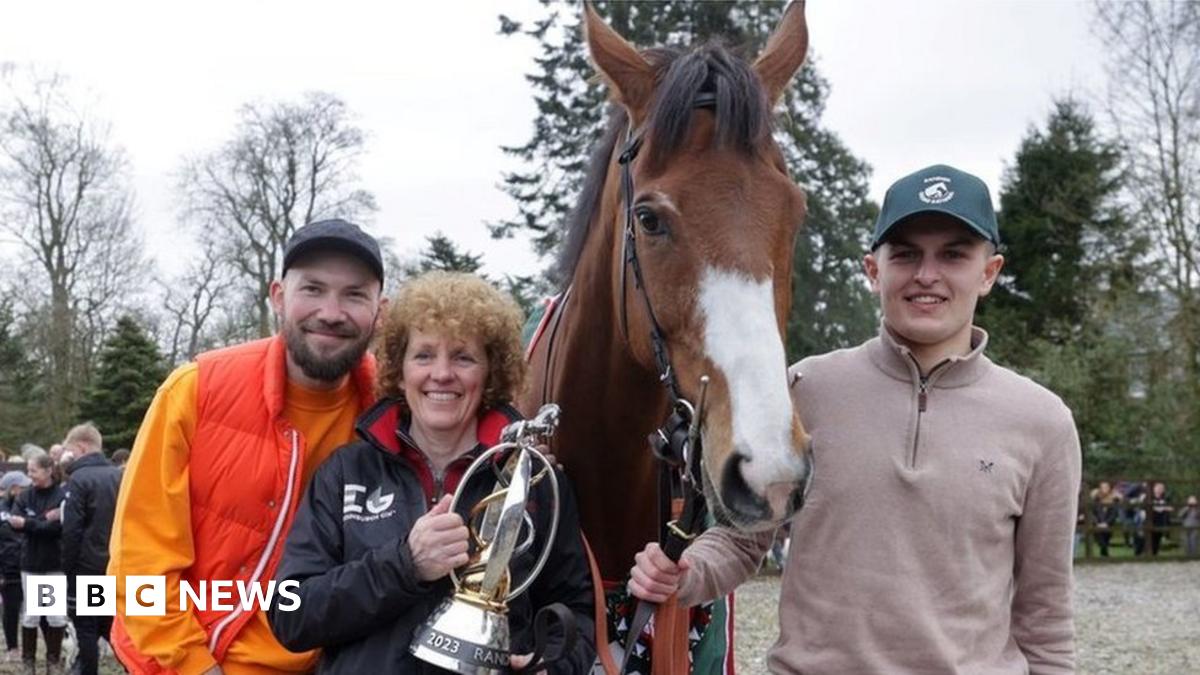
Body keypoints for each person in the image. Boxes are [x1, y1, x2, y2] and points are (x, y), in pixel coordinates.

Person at [629, 164, 1083, 673]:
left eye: (953, 254)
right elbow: (741, 539)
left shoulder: (1043, 423)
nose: (927, 275)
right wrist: (686, 572)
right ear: (873, 270)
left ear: (989, 272)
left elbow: (1045, 619)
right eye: (906, 254)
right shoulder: (805, 388)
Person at [269, 271, 596, 673]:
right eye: (423, 355)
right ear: (399, 369)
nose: (442, 374)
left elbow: (577, 612)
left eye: (463, 357)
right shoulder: (345, 472)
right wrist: (406, 563)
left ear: (490, 372)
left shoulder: (536, 478)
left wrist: (555, 666)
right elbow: (290, 614)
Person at [107, 218, 386, 675]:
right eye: (312, 289)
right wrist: (195, 666)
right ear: (278, 296)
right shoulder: (196, 391)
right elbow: (140, 561)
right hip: (193, 661)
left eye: (354, 294)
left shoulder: (394, 413)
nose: (332, 312)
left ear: (381, 311)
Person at [59, 423, 122, 675]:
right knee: (108, 624)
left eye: (69, 450)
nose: (67, 456)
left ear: (81, 447)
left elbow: (72, 529)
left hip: (86, 565)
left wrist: (68, 567)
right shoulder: (119, 476)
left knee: (85, 627)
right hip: (114, 563)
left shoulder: (79, 479)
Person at [10, 454, 68, 675]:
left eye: (33, 470)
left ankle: (53, 660)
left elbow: (57, 528)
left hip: (53, 563)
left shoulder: (61, 495)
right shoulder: (25, 496)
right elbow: (13, 522)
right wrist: (40, 522)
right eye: (29, 470)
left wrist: (29, 523)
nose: (30, 475)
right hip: (31, 564)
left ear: (47, 471)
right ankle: (28, 662)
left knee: (54, 614)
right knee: (32, 614)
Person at [0, 471, 31, 663]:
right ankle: (12, 647)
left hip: (32, 565)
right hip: (9, 568)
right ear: (13, 488)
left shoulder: (28, 507)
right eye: (23, 487)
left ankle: (39, 650)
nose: (26, 490)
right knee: (11, 610)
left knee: (40, 610)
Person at [1091, 480, 1122, 557]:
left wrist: (1107, 523)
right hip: (1097, 524)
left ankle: (1104, 553)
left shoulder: (1114, 499)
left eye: (1106, 487)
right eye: (1103, 487)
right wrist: (1097, 523)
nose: (1104, 489)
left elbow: (1114, 513)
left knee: (1106, 537)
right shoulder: (1096, 499)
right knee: (1100, 536)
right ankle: (1105, 553)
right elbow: (1092, 513)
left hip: (1109, 524)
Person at [1149, 481, 1173, 556]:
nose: (1160, 490)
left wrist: (1164, 508)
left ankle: (1155, 555)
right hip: (1151, 522)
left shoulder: (1165, 498)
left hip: (1160, 523)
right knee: (1150, 540)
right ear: (1154, 489)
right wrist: (1164, 508)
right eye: (1158, 488)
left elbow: (1171, 508)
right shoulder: (1149, 497)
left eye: (1162, 488)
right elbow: (1152, 507)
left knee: (1157, 540)